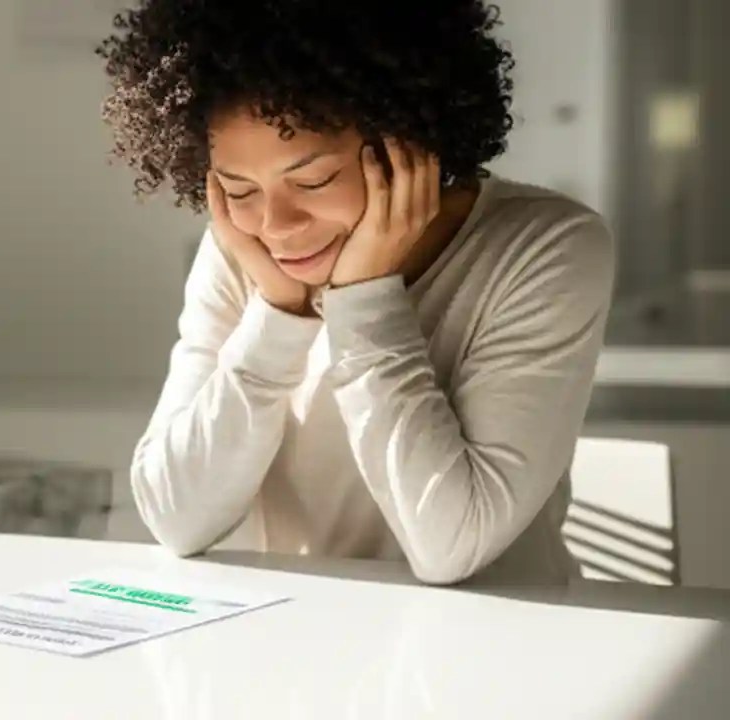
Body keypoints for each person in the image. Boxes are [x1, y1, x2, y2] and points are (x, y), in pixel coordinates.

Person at [96, 0, 615, 584]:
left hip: (486, 646)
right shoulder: (243, 253)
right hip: (300, 646)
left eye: (313, 181)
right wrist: (277, 314)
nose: (276, 225)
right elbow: (175, 518)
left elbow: (451, 545)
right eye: (240, 190)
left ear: (409, 144)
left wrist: (365, 295)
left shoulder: (545, 246)